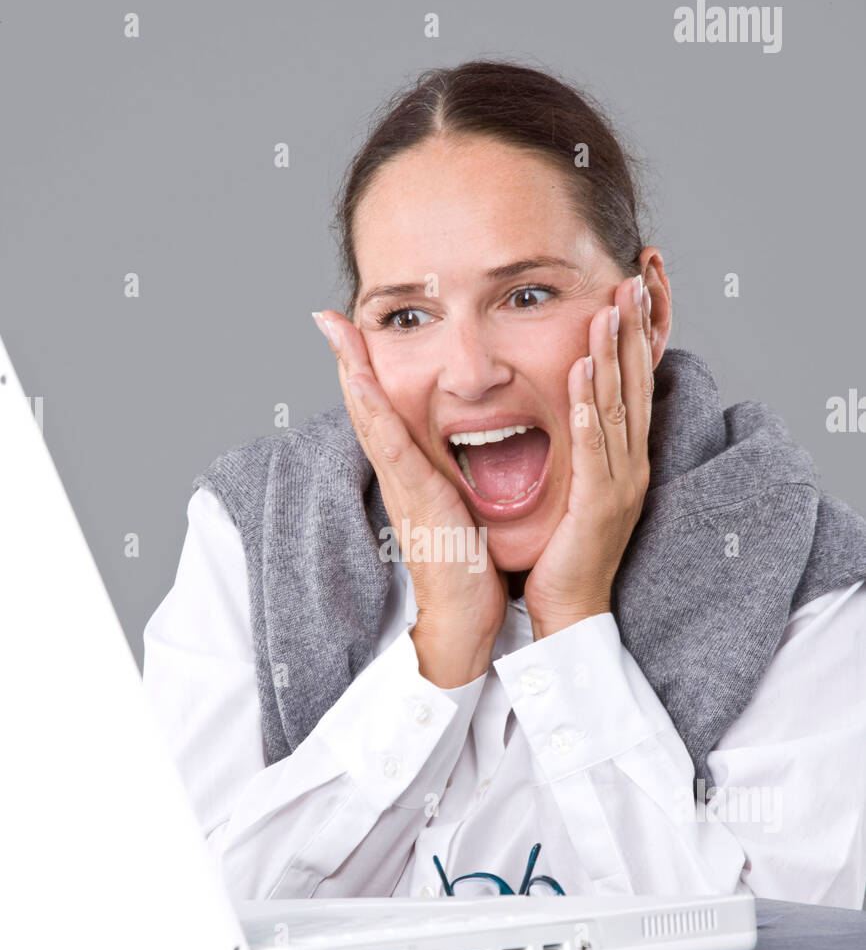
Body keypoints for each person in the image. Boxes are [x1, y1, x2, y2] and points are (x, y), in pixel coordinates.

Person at [142, 59, 866, 907]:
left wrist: (573, 627)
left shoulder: (804, 569)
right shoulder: (254, 536)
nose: (471, 373)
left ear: (650, 307)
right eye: (407, 316)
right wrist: (441, 647)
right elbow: (180, 939)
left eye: (526, 295)